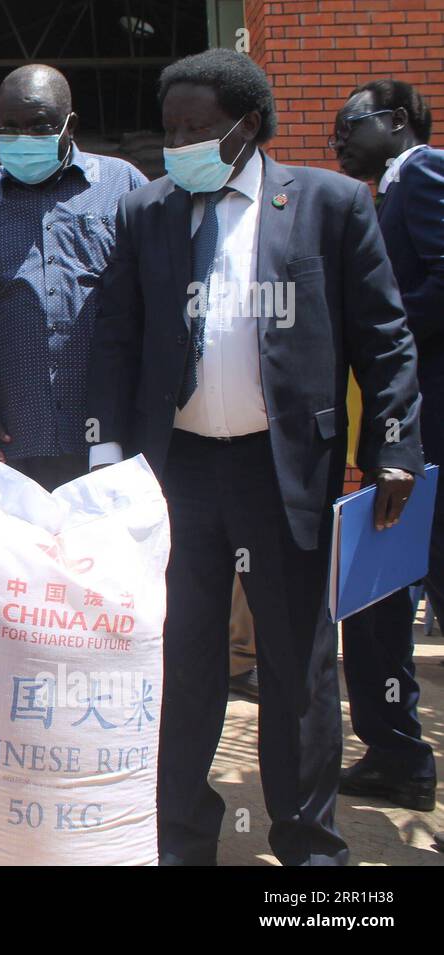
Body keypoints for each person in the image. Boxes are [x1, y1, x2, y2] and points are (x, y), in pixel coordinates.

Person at [87, 49, 423, 866]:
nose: (179, 144)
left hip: (284, 474)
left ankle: (307, 844)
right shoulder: (150, 211)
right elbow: (115, 337)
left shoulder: (330, 206)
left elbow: (385, 340)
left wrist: (393, 446)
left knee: (297, 666)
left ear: (248, 126)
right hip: (182, 472)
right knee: (184, 658)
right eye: (169, 129)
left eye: (196, 129)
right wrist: (107, 456)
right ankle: (180, 837)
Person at [0, 64, 146, 492]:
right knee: (16, 558)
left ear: (70, 125)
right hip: (9, 431)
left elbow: (151, 302)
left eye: (39, 126)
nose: (24, 139)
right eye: (10, 128)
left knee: (103, 556)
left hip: (106, 432)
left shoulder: (123, 185)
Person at [331, 78, 442, 812]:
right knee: (374, 600)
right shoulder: (380, 199)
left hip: (426, 440)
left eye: (350, 126)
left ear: (397, 122)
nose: (338, 141)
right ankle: (395, 750)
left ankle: (399, 749)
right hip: (389, 442)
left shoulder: (426, 172)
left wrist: (381, 324)